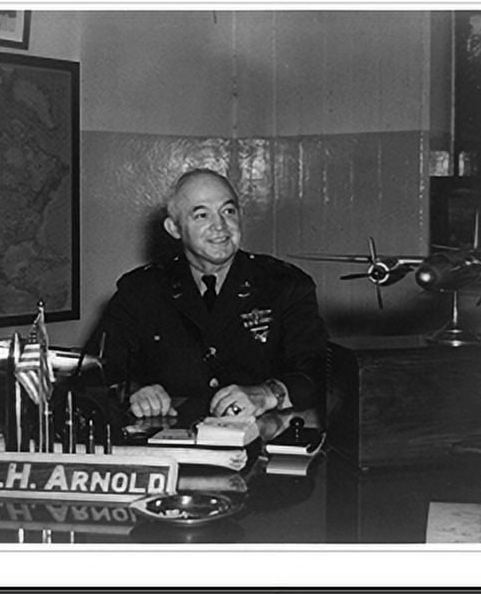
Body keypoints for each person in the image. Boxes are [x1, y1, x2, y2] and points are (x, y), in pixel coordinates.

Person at [86, 168, 328, 423]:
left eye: (228, 211)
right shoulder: (140, 290)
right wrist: (134, 392)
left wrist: (267, 393)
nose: (220, 226)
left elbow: (317, 369)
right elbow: (98, 369)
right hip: (174, 444)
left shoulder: (285, 285)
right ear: (174, 228)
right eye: (201, 215)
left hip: (264, 436)